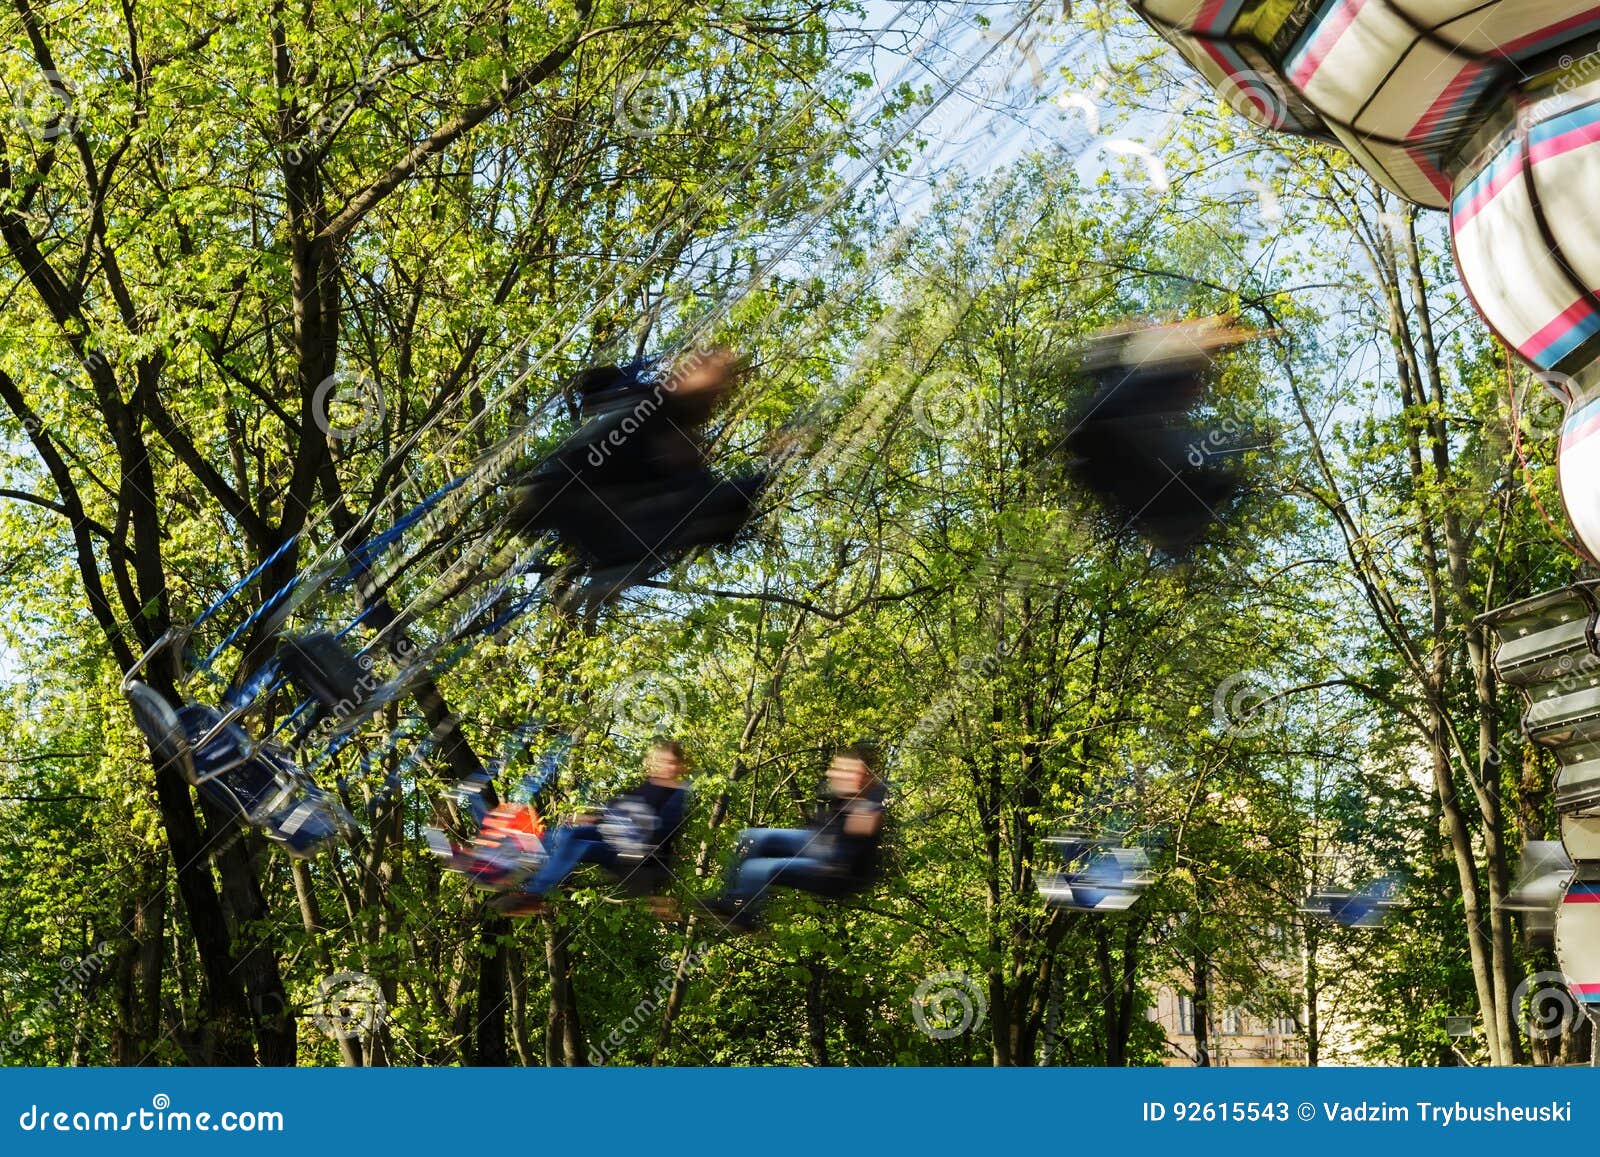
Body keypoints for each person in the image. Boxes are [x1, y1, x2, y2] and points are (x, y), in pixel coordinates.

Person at [510, 349, 768, 593]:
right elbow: (592, 389)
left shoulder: (680, 445)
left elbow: (701, 507)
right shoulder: (649, 402)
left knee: (689, 501)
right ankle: (552, 506)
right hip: (580, 496)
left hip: (607, 525)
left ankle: (612, 565)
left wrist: (761, 475)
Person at [1059, 316, 1262, 556]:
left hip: (1110, 443)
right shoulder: (1159, 485)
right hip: (1110, 442)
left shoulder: (1154, 484)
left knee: (1162, 435)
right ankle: (1176, 356)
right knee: (1169, 439)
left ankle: (1172, 357)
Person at [492, 737, 692, 915]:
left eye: (672, 763)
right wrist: (593, 819)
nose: (666, 767)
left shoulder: (676, 795)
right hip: (613, 837)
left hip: (635, 858)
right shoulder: (648, 787)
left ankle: (533, 894)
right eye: (662, 762)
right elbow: (619, 811)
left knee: (582, 846)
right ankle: (515, 863)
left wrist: (655, 888)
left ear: (680, 766)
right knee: (565, 834)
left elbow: (663, 834)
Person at [707, 743, 887, 931]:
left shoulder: (868, 810)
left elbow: (850, 846)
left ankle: (743, 914)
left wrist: (859, 799)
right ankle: (728, 899)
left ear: (861, 779)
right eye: (837, 771)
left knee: (756, 869)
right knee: (752, 837)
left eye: (846, 773)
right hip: (817, 844)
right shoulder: (841, 798)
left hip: (835, 872)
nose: (836, 776)